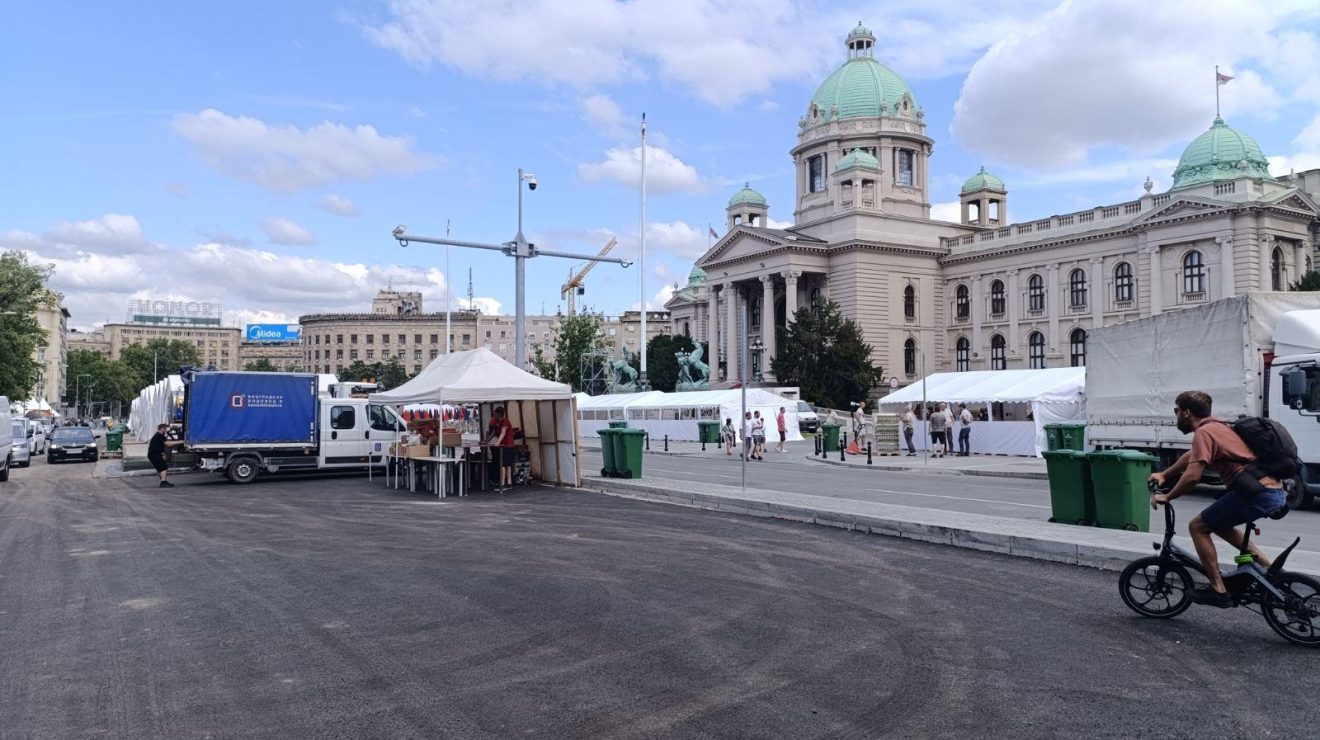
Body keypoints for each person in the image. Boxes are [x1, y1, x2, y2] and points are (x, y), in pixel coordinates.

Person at [1149, 391, 1287, 608]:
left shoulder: (1204, 432)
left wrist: (1168, 495)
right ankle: (1271, 569)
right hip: (1272, 490)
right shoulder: (1219, 426)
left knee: (1197, 527)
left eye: (1176, 411)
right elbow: (1192, 456)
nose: (1175, 415)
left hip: (1258, 493)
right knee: (1218, 524)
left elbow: (1192, 477)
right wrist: (1165, 474)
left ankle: (1218, 590)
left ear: (1187, 412)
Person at [487, 406, 516, 491]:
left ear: (499, 414)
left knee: (504, 465)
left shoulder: (505, 421)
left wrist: (497, 442)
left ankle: (503, 484)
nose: (494, 416)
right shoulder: (498, 423)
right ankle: (508, 483)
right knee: (507, 465)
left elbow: (503, 433)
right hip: (505, 446)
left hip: (507, 446)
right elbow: (494, 432)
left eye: (495, 414)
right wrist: (487, 441)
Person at [148, 423, 183, 488]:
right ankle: (163, 482)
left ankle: (163, 481)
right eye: (165, 429)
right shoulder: (160, 436)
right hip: (155, 455)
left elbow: (160, 446)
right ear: (162, 429)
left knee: (160, 469)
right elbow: (168, 444)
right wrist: (178, 442)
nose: (166, 430)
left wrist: (163, 454)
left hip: (153, 454)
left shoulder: (158, 435)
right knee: (164, 468)